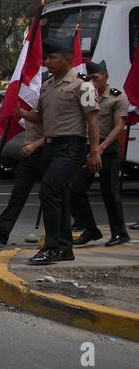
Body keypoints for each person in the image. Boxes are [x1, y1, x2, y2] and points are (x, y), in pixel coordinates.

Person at [20, 37, 101, 265]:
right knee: (61, 196)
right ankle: (65, 248)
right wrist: (21, 112)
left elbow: (93, 120)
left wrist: (94, 150)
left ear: (68, 58)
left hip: (71, 146)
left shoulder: (82, 84)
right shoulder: (47, 86)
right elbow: (41, 118)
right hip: (51, 146)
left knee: (48, 190)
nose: (48, 61)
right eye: (46, 57)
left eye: (53, 57)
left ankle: (52, 246)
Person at [69, 60, 130, 247]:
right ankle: (90, 229)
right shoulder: (86, 95)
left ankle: (120, 233)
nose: (93, 81)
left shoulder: (117, 97)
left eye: (96, 77)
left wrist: (101, 148)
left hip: (107, 148)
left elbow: (120, 125)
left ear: (105, 76)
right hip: (87, 147)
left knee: (110, 192)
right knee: (75, 189)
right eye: (90, 78)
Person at [0, 71, 49, 245]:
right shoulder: (33, 103)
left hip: (48, 153)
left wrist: (34, 145)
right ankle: (3, 228)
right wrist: (18, 110)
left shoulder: (53, 105)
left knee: (50, 195)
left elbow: (56, 132)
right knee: (18, 194)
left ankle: (57, 233)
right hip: (29, 154)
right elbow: (32, 118)